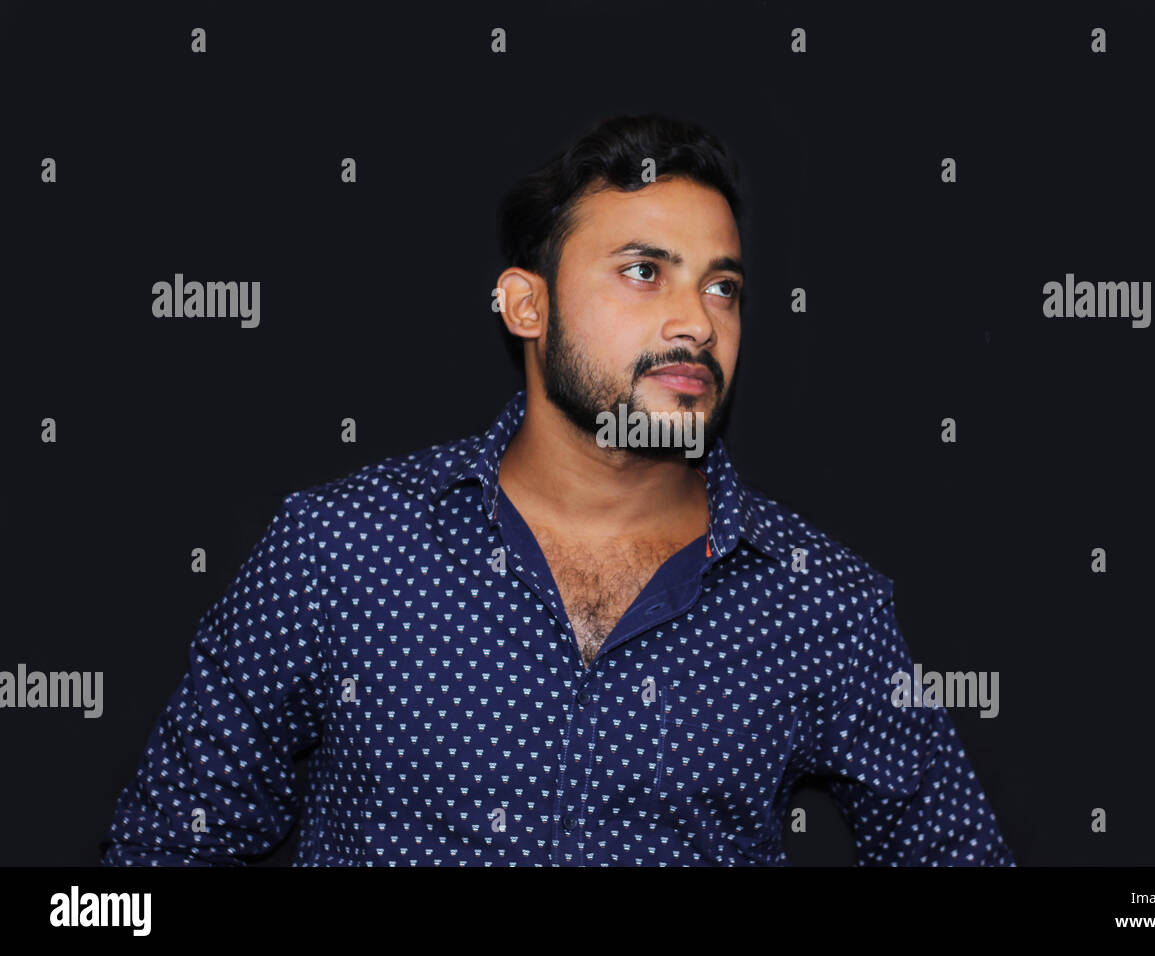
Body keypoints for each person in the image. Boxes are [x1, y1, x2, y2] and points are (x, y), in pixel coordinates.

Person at [100, 113, 1014, 866]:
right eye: (643, 271)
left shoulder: (823, 604)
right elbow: (163, 854)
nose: (697, 321)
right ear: (526, 306)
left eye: (723, 287)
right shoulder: (339, 549)